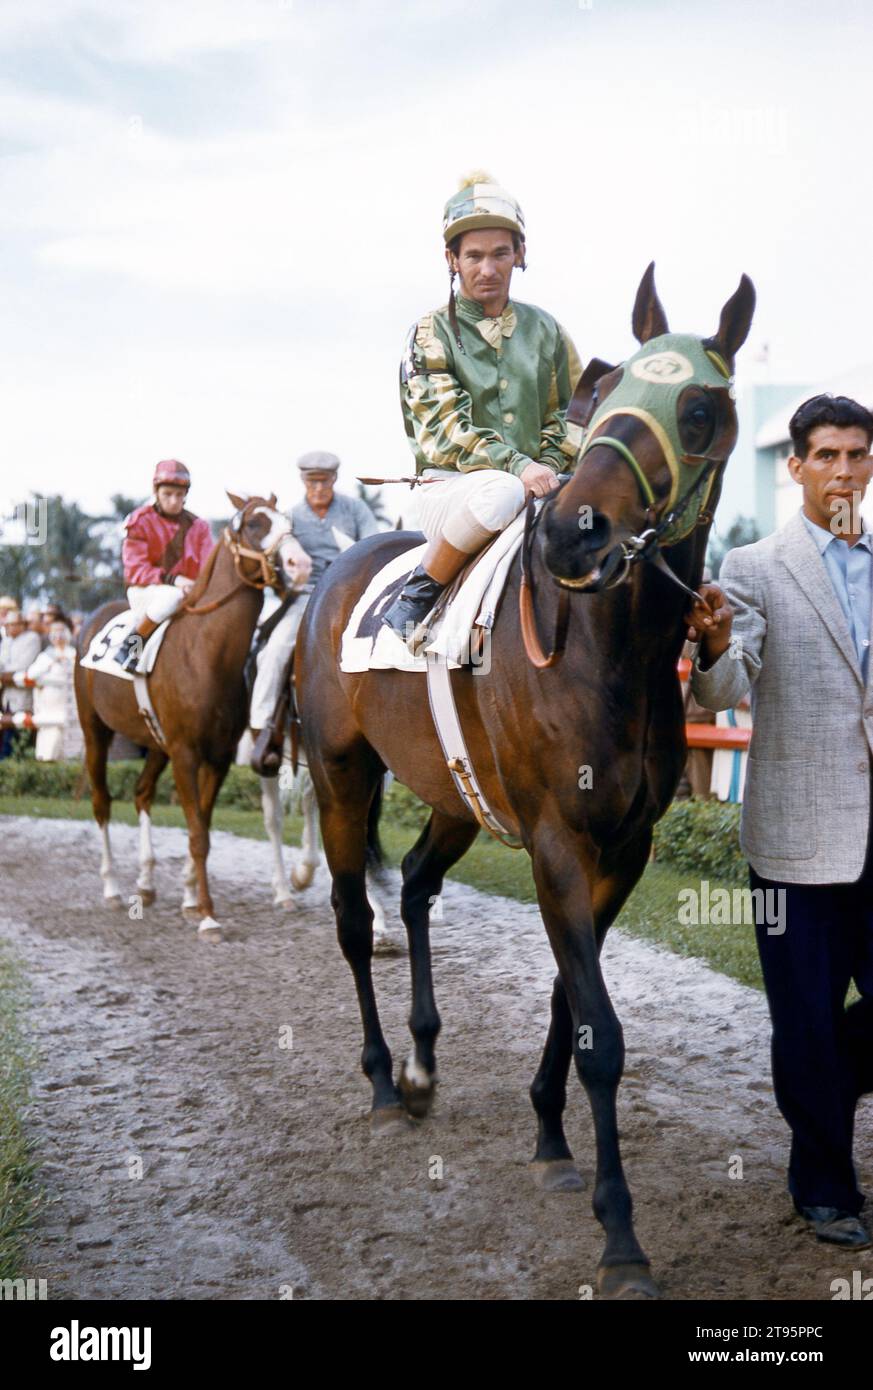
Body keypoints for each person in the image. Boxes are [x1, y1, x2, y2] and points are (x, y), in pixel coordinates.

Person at [687, 392, 873, 1250]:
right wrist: (717, 644)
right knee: (801, 1021)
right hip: (797, 838)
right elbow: (722, 692)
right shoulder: (754, 567)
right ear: (793, 465)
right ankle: (824, 1187)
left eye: (856, 454)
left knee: (824, 1043)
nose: (842, 470)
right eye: (825, 455)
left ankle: (822, 1091)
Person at [381, 172, 582, 648]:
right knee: (501, 493)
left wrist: (550, 468)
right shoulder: (429, 332)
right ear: (452, 259)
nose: (487, 268)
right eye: (473, 256)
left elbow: (571, 416)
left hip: (540, 486)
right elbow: (446, 428)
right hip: (452, 492)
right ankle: (417, 598)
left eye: (500, 254)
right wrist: (520, 466)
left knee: (599, 514)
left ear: (520, 255)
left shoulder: (547, 330)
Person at [249, 451, 380, 775]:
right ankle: (262, 726)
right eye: (312, 481)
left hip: (354, 593)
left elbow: (376, 546)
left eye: (324, 481)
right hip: (307, 597)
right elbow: (278, 563)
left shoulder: (356, 509)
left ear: (334, 479)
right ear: (303, 482)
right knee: (275, 650)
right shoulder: (290, 518)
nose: (318, 487)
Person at [112, 459, 213, 671]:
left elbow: (208, 567)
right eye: (167, 494)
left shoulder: (199, 526)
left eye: (179, 495)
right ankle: (131, 646)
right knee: (172, 596)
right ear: (156, 492)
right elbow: (135, 569)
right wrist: (173, 580)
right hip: (147, 591)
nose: (174, 500)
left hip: (190, 595)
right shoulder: (139, 521)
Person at [2, 620, 82, 761]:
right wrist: (52, 663)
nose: (59, 635)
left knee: (75, 754)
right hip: (50, 712)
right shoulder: (46, 656)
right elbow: (32, 674)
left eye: (61, 631)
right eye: (55, 632)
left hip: (74, 714)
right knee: (49, 752)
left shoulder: (74, 654)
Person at [0, 608, 43, 757]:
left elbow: (23, 667)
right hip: (7, 701)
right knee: (6, 742)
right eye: (7, 625)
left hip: (24, 700)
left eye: (13, 624)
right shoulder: (6, 641)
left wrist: (4, 674)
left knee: (19, 741)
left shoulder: (32, 638)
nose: (9, 627)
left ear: (22, 625)